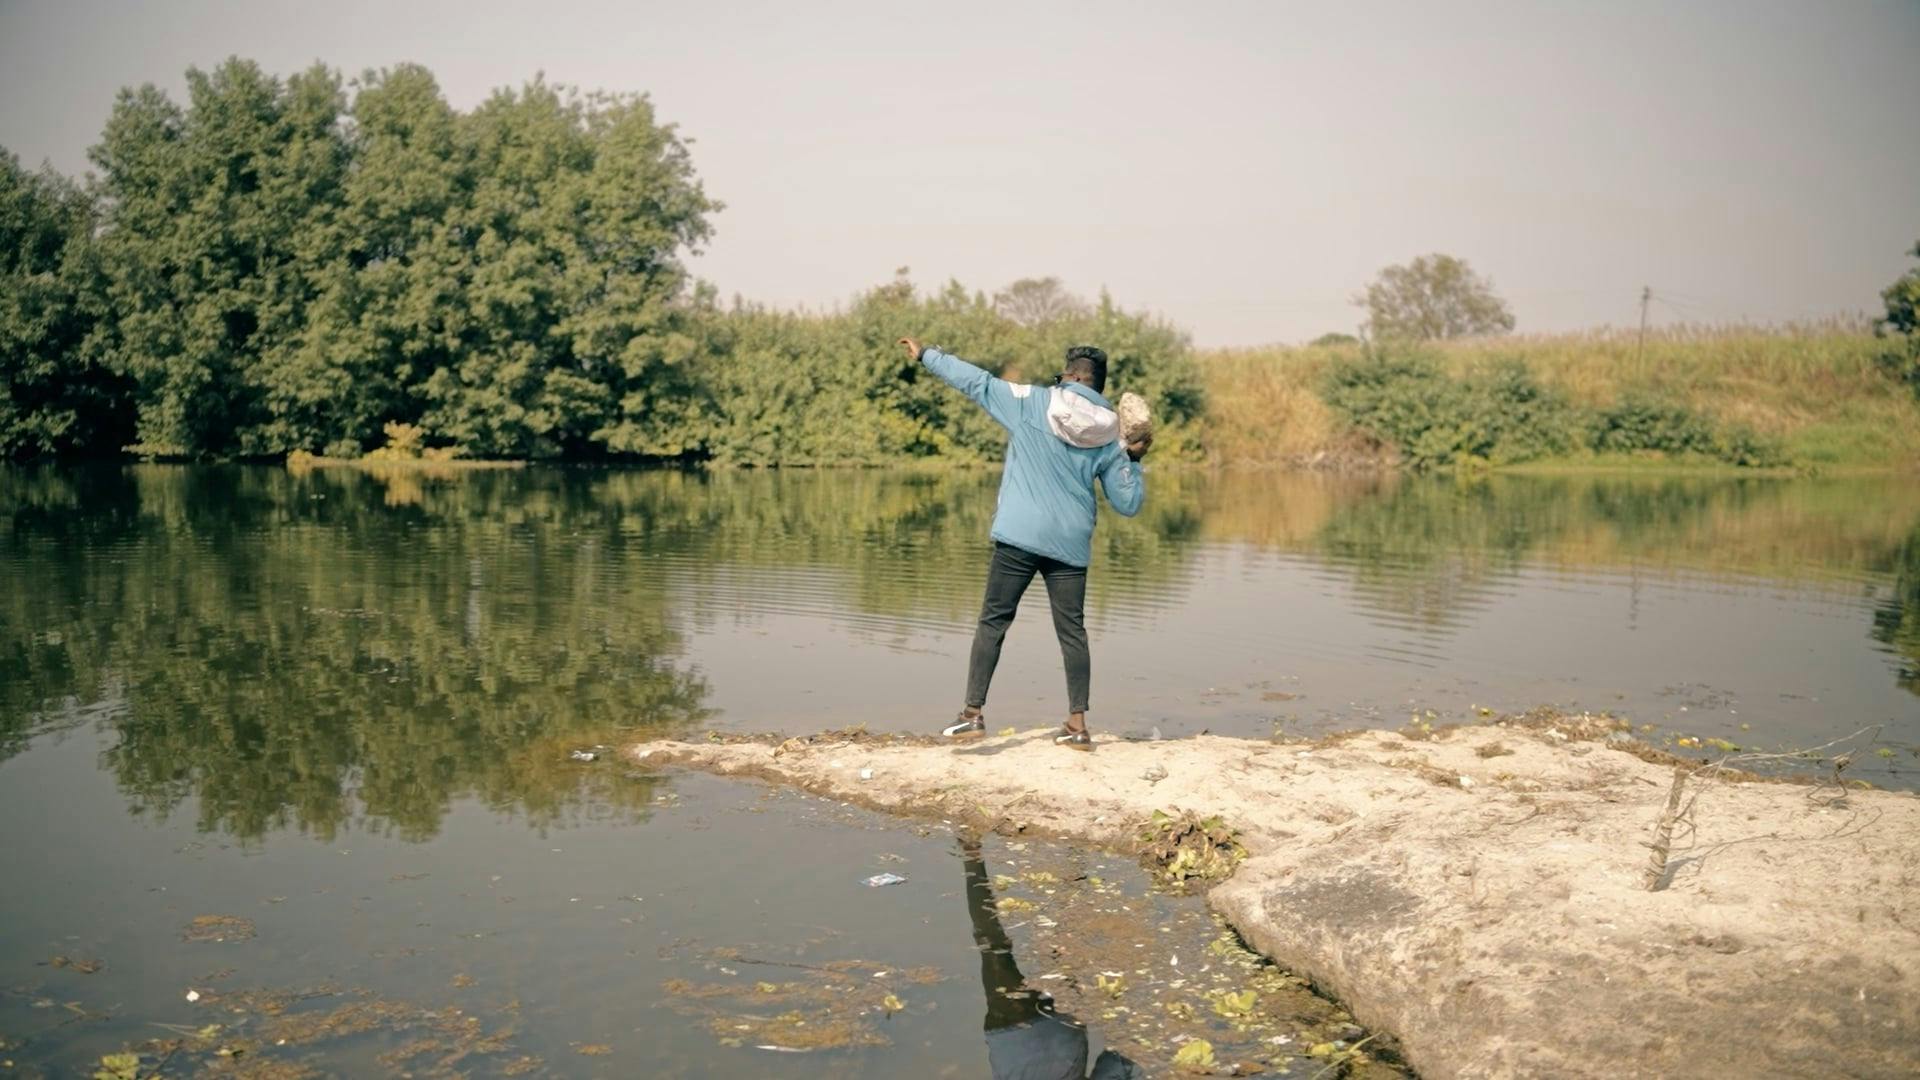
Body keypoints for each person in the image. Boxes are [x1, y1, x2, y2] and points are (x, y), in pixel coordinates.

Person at [895, 338, 1151, 750]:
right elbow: (1128, 504)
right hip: (1069, 544)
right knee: (1072, 632)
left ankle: (972, 716)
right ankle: (1077, 725)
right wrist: (1134, 460)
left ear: (1070, 376)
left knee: (993, 621)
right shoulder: (1110, 433)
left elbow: (975, 382)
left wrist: (928, 355)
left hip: (1019, 535)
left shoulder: (1031, 401)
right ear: (1097, 385)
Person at [960, 837, 1143, 1080]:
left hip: (1061, 1039)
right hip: (1011, 1037)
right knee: (991, 945)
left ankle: (1077, 849)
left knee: (1064, 944)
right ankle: (971, 850)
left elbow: (1119, 1063)